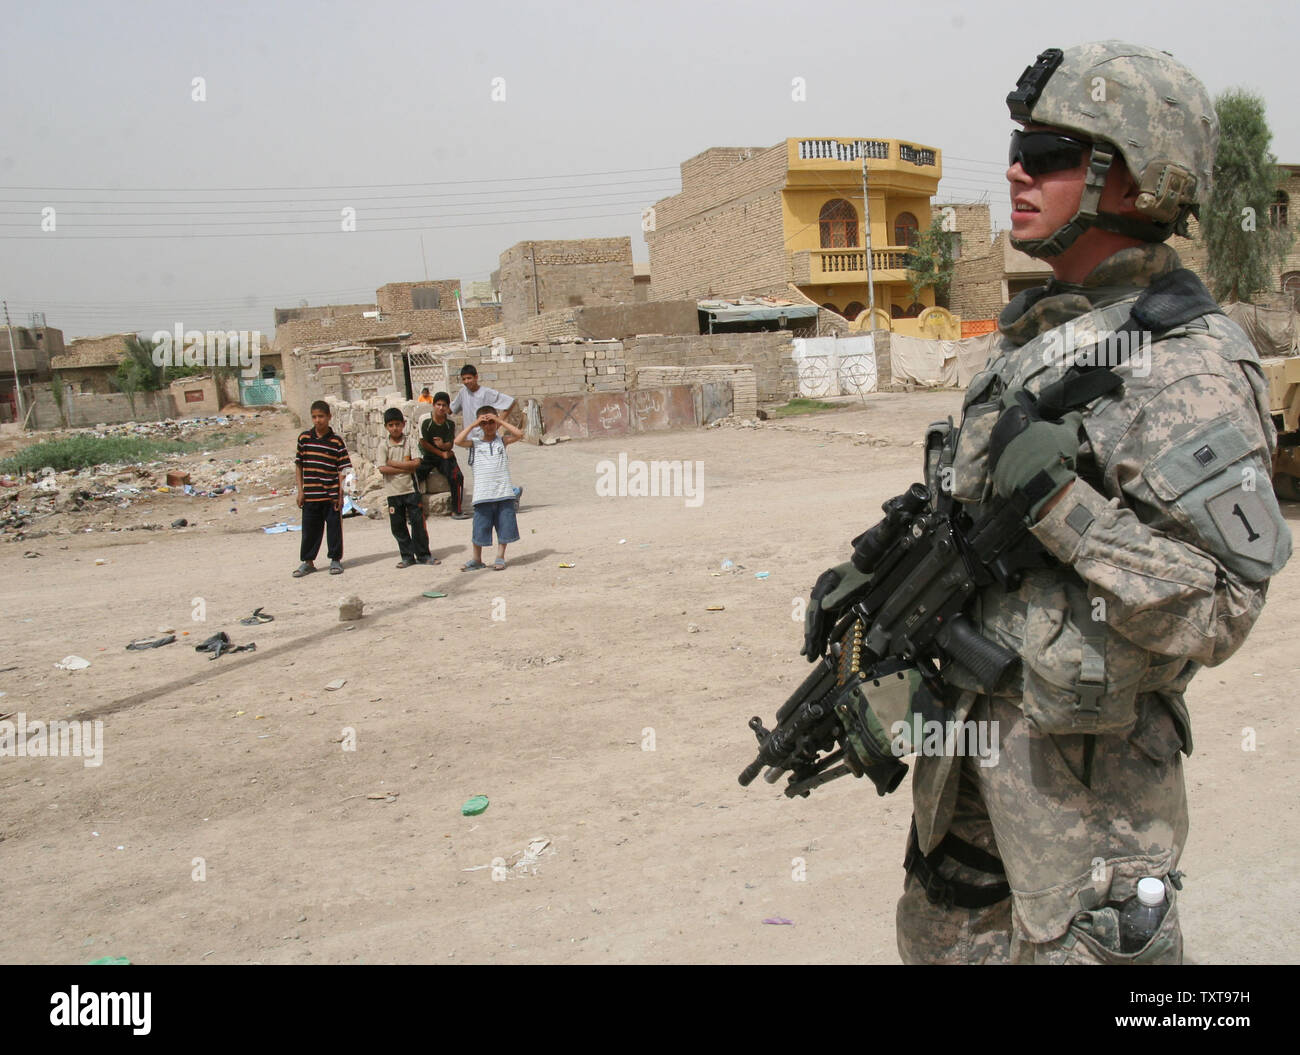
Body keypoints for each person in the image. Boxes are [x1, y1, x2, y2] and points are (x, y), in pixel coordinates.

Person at [804, 41, 1291, 964]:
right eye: (1019, 146)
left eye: (1053, 153)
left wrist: (1062, 506)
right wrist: (879, 572)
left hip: (1090, 811)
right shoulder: (1041, 338)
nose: (1019, 170)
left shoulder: (1188, 362)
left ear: (1135, 181)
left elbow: (1224, 606)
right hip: (971, 790)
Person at [455, 406, 523, 571]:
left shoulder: (502, 441)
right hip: (483, 494)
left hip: (503, 493)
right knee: (480, 528)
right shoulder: (475, 444)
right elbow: (457, 441)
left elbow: (519, 434)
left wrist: (499, 420)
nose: (489, 426)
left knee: (504, 527)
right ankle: (477, 559)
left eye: (492, 422)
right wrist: (474, 425)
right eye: (485, 423)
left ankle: (500, 557)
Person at [450, 364, 523, 509]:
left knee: (495, 467)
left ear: (476, 377)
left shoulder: (486, 393)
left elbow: (510, 402)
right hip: (473, 440)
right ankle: (503, 495)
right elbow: (452, 409)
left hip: (489, 437)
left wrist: (497, 423)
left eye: (469, 378)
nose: (467, 381)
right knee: (480, 469)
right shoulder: (462, 393)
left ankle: (509, 493)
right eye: (464, 379)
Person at [293, 400, 352, 577]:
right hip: (311, 495)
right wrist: (300, 490)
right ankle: (308, 562)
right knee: (310, 530)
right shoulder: (304, 439)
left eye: (321, 416)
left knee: (334, 529)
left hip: (331, 495)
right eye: (314, 417)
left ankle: (335, 560)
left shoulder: (336, 441)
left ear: (329, 417)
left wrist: (342, 494)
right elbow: (299, 465)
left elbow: (345, 469)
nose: (317, 420)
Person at [377, 407, 437, 568]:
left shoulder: (410, 441)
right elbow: (382, 468)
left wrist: (394, 464)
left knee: (418, 524)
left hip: (411, 489)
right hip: (393, 492)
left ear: (403, 424)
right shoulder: (383, 445)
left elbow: (416, 464)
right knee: (398, 526)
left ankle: (424, 555)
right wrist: (405, 467)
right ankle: (407, 556)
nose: (395, 428)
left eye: (397, 424)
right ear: (386, 427)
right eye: (391, 425)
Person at [417, 391, 470, 520]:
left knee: (457, 476)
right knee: (415, 476)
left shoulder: (450, 422)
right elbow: (423, 442)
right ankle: (416, 511)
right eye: (438, 404)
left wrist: (443, 447)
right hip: (427, 455)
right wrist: (441, 452)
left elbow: (450, 444)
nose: (441, 408)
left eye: (444, 405)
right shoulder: (425, 420)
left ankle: (456, 510)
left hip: (444, 455)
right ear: (433, 405)